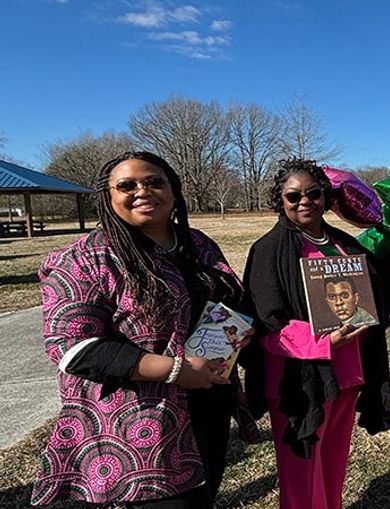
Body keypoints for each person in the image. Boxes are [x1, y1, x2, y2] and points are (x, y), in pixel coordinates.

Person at [32, 151, 260, 508]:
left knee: (203, 497)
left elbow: (230, 303)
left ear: (173, 191)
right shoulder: (86, 258)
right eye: (127, 185)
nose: (143, 191)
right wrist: (176, 371)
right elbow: (72, 347)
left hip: (209, 404)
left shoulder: (198, 244)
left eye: (155, 181)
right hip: (142, 424)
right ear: (108, 196)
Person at [240, 159, 390, 509]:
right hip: (300, 383)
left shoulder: (343, 243)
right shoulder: (269, 250)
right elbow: (265, 326)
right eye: (293, 195)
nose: (304, 201)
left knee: (332, 467)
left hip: (348, 376)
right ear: (279, 200)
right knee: (301, 478)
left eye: (313, 193)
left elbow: (379, 280)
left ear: (326, 197)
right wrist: (321, 341)